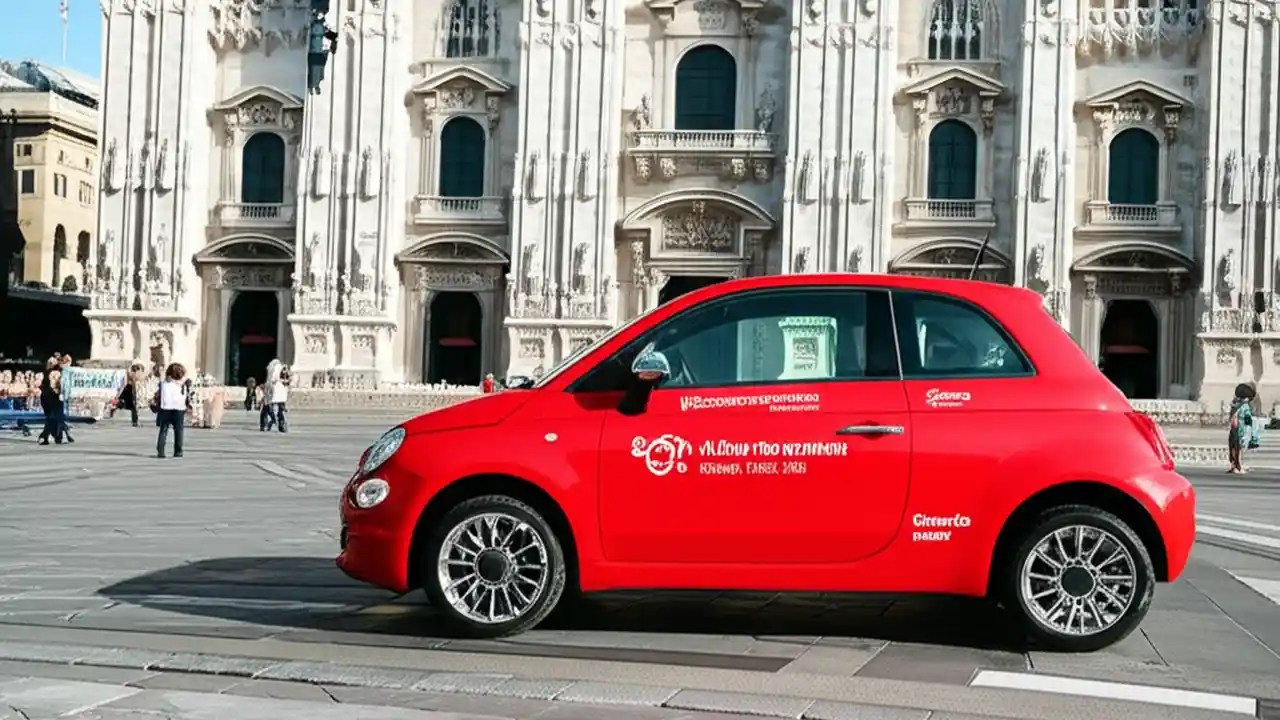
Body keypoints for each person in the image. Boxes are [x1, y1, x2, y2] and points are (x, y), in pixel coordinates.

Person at [154, 362, 190, 458]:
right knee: (179, 430)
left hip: (165, 408)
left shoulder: (164, 383)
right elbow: (185, 397)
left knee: (163, 430)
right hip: (179, 409)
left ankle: (161, 451)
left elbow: (159, 394)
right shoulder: (183, 384)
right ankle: (178, 451)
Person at [1228, 383, 1258, 474]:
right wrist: (1250, 432)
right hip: (1241, 428)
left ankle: (1233, 465)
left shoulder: (1234, 405)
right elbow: (1248, 419)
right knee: (1239, 449)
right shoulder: (1245, 406)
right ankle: (1239, 466)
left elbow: (1231, 417)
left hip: (1233, 428)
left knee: (1233, 447)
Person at [36, 358, 66, 445]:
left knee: (55, 418)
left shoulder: (52, 373)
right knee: (54, 417)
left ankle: (54, 436)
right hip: (50, 397)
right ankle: (51, 436)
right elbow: (52, 385)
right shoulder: (49, 374)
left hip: (51, 397)